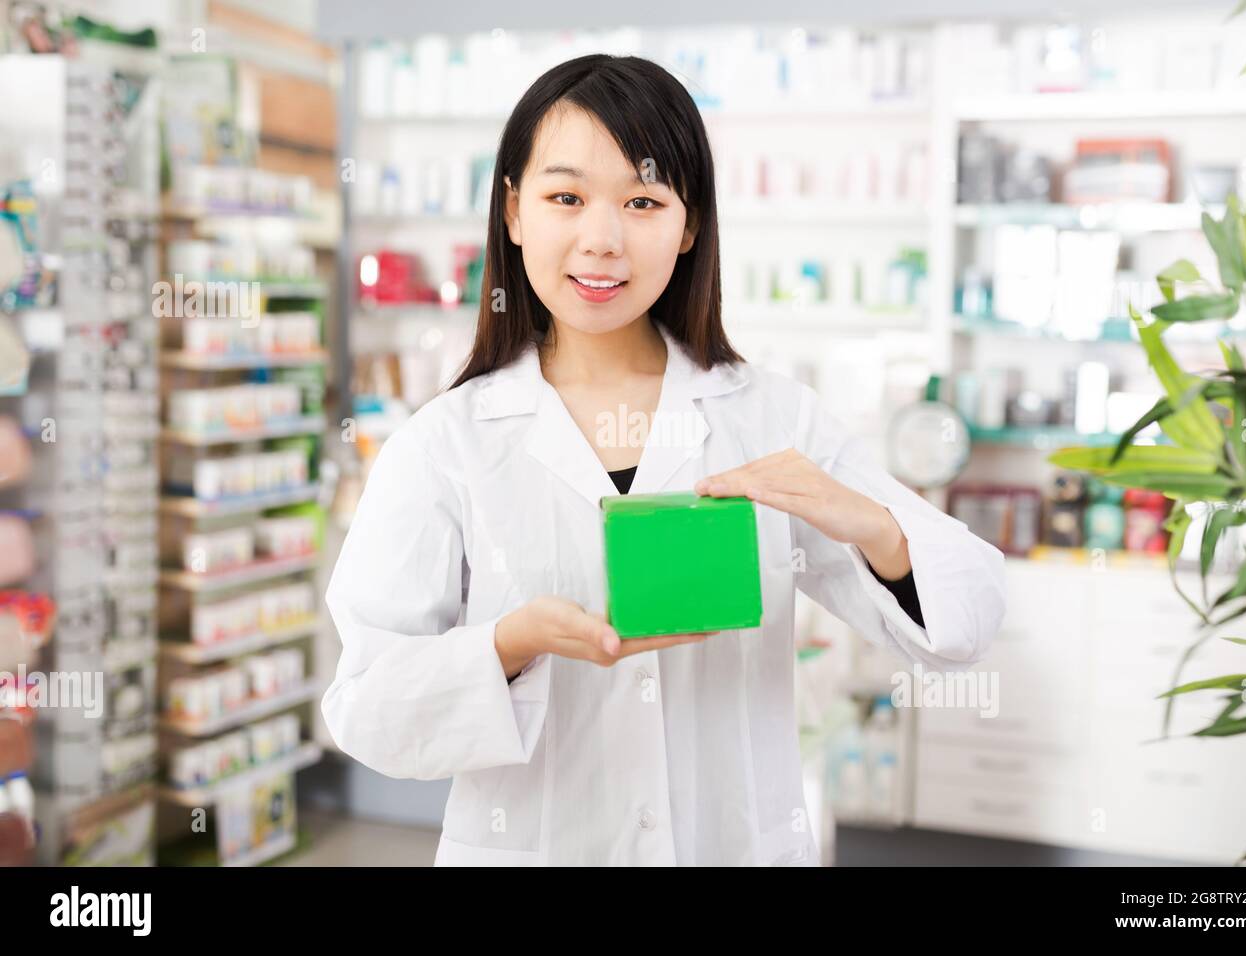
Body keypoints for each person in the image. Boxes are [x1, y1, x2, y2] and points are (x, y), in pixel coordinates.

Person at [322, 53, 1006, 866]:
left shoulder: (770, 416)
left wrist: (871, 525)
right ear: (513, 211)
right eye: (566, 197)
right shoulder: (445, 444)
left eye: (642, 201)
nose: (601, 239)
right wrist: (508, 644)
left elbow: (966, 622)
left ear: (688, 225)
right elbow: (367, 706)